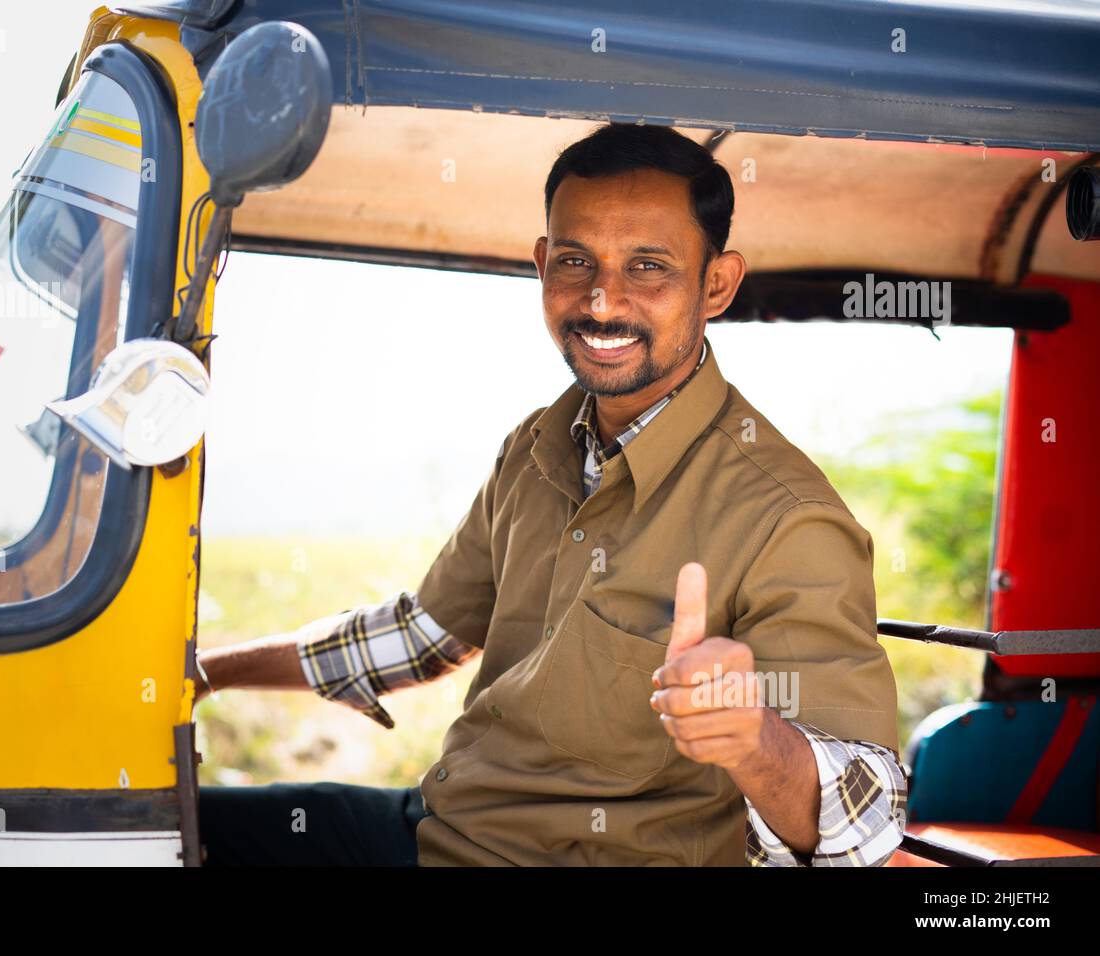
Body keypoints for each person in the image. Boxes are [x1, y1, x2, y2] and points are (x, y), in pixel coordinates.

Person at [195, 122, 907, 867]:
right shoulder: (539, 444)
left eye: (649, 267)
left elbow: (866, 825)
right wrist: (208, 674)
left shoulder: (785, 518)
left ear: (717, 284)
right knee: (157, 824)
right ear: (542, 265)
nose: (603, 301)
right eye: (576, 261)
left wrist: (754, 738)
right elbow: (425, 634)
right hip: (439, 828)